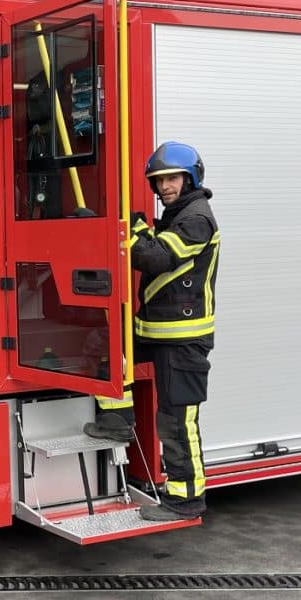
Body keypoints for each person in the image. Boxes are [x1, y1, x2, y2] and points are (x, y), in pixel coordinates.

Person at [129, 142, 220, 522]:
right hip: (160, 332)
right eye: (158, 180)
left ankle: (185, 500)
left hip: (182, 339)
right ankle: (116, 424)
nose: (164, 186)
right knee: (106, 351)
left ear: (190, 177)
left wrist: (129, 230)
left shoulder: (196, 218)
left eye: (171, 178)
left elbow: (154, 257)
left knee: (178, 420)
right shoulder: (176, 214)